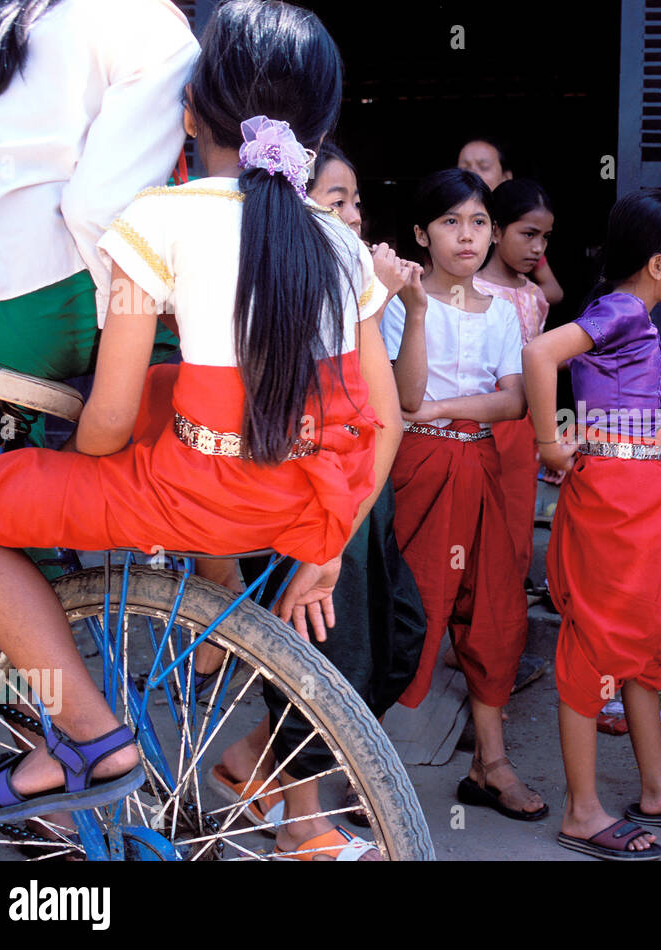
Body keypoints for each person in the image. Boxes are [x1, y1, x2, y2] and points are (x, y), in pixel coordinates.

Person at [0, 0, 399, 861]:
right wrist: (328, 546)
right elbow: (380, 424)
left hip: (185, 499)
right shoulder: (341, 247)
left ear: (189, 110)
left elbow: (112, 418)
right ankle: (201, 615)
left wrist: (90, 457)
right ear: (320, 128)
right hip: (299, 511)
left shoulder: (155, 224)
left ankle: (88, 733)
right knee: (183, 392)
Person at [0, 0, 198, 648]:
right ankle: (211, 573)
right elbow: (100, 210)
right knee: (181, 337)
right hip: (34, 308)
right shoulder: (158, 31)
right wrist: (134, 322)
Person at [209, 138, 428, 834]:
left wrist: (398, 304)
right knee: (321, 656)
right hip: (303, 497)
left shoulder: (360, 285)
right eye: (340, 201)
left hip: (364, 498)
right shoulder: (273, 290)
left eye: (358, 202)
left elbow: (401, 405)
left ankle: (251, 758)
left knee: (396, 640)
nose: (357, 219)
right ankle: (301, 826)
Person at [524, 189, 661, 860]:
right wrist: (550, 443)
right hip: (615, 495)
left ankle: (658, 787)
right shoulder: (619, 310)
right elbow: (537, 357)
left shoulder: (631, 312)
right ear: (655, 262)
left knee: (646, 643)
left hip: (643, 490)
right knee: (595, 642)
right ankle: (583, 811)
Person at [382, 168, 546, 821]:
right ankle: (378, 768)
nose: (467, 235)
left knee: (495, 612)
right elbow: (406, 398)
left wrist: (447, 408)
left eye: (478, 222)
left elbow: (514, 400)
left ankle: (490, 763)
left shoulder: (504, 312)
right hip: (420, 468)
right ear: (421, 234)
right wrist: (419, 312)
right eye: (450, 222)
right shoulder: (397, 305)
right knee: (412, 614)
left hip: (481, 467)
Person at [473, 179, 553, 637]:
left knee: (514, 533)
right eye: (528, 234)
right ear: (497, 230)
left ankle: (499, 641)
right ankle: (472, 639)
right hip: (479, 425)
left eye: (545, 238)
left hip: (522, 430)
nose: (538, 248)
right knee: (478, 532)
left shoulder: (534, 296)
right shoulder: (471, 292)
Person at [457, 136, 563, 306]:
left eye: (483, 167)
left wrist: (511, 299)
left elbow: (554, 290)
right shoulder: (446, 224)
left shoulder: (520, 230)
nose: (472, 175)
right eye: (464, 168)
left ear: (506, 177)